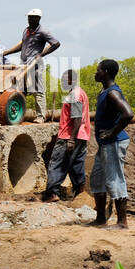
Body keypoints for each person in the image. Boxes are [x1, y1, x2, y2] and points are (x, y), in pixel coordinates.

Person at [90, 58, 134, 229]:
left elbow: (128, 114)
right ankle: (101, 218)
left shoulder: (112, 93)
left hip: (114, 143)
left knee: (115, 179)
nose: (96, 73)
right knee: (97, 179)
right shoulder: (105, 92)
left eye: (98, 70)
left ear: (106, 72)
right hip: (105, 145)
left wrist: (111, 132)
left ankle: (122, 222)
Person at [0, 8, 60, 122]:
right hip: (24, 64)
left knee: (37, 90)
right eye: (28, 17)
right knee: (19, 88)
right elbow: (22, 45)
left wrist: (41, 54)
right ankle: (17, 115)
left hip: (35, 64)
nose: (29, 19)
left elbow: (56, 43)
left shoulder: (43, 31)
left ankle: (41, 116)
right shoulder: (26, 30)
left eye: (32, 17)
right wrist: (7, 52)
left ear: (38, 18)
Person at [43, 68, 90, 201]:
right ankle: (80, 193)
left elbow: (76, 118)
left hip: (69, 136)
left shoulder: (74, 95)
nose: (62, 82)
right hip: (82, 135)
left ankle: (52, 193)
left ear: (72, 80)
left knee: (57, 163)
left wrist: (71, 139)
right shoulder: (81, 93)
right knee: (76, 165)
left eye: (65, 80)